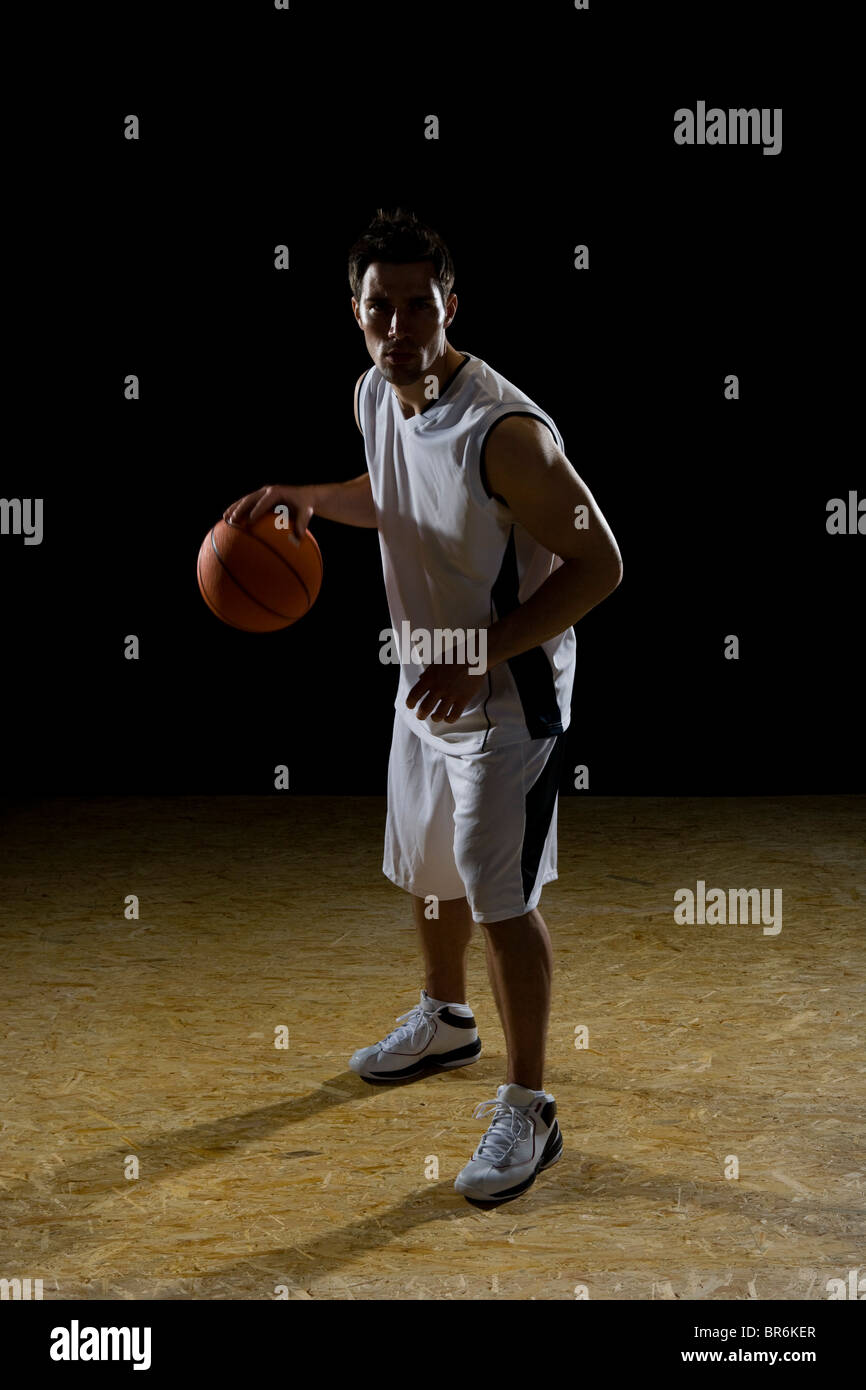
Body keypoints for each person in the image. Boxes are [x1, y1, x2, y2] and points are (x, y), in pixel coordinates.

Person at [224, 208, 623, 1207]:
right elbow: (393, 488)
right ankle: (446, 1017)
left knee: (500, 899)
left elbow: (601, 562)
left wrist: (482, 652)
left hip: (505, 699)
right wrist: (309, 496)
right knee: (427, 865)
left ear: (451, 306)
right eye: (378, 307)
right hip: (426, 684)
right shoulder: (374, 392)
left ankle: (528, 1104)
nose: (397, 325)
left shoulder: (507, 433)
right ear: (354, 314)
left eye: (417, 305)